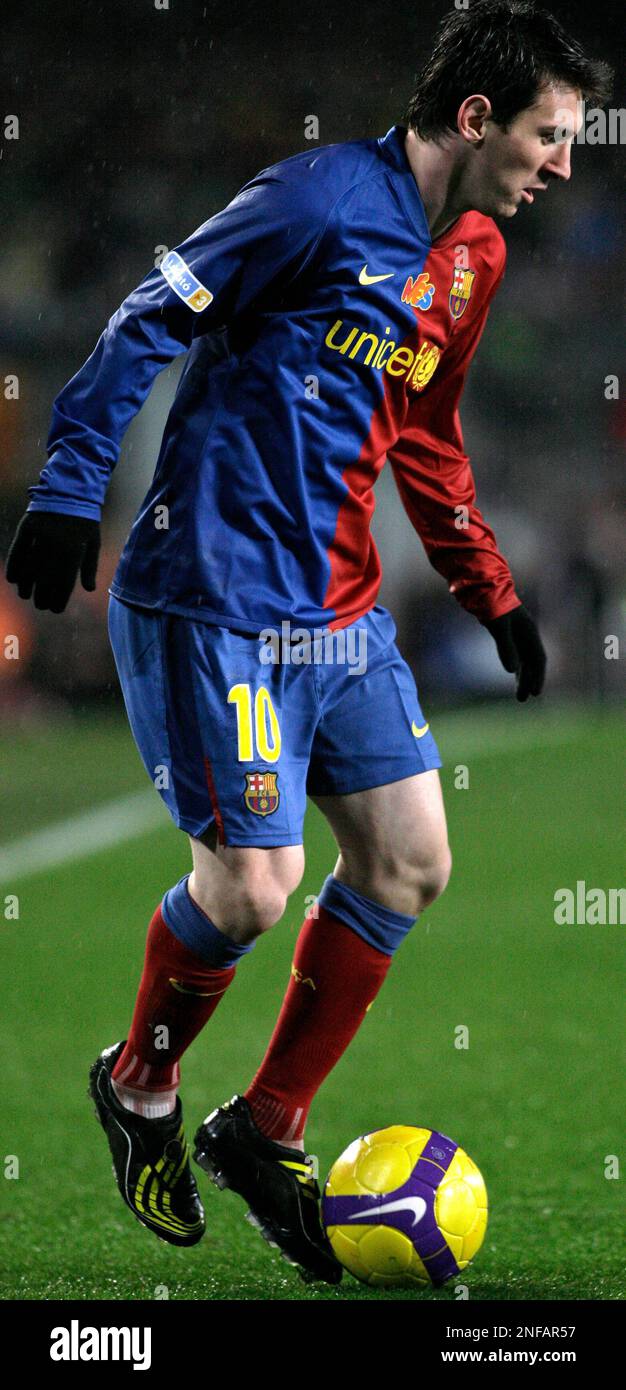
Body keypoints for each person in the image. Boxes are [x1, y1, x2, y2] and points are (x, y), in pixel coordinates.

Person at [5, 0, 611, 1284]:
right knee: (251, 888)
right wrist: (67, 489)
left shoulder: (473, 255)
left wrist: (487, 588)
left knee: (407, 860)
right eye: (551, 135)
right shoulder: (312, 201)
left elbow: (426, 432)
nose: (566, 161)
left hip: (338, 612)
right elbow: (144, 315)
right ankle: (143, 1088)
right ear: (473, 118)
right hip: (213, 596)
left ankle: (263, 1124)